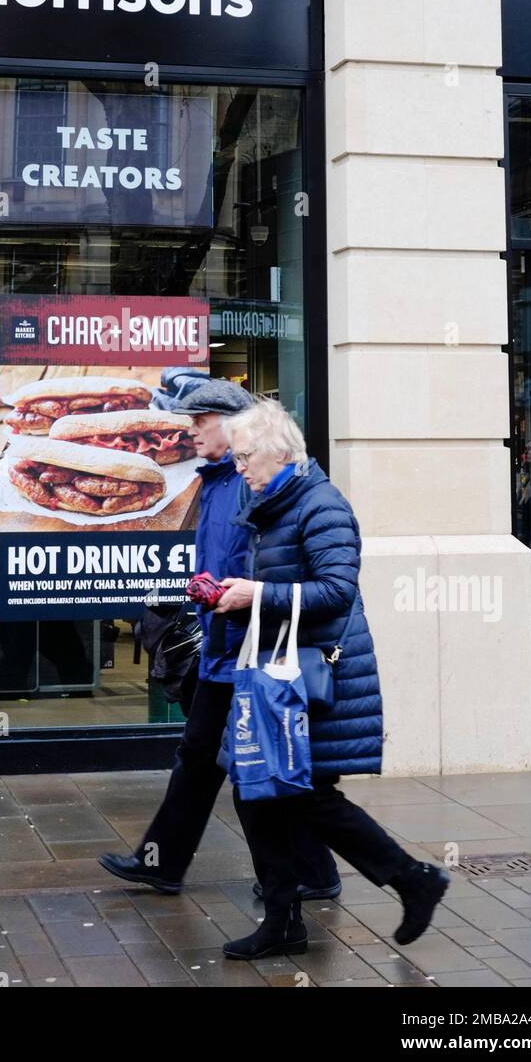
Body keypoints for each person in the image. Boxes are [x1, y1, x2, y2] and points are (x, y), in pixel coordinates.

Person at [214, 399, 449, 960]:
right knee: (260, 791)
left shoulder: (321, 505)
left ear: (278, 450)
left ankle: (411, 879)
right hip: (279, 674)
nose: (239, 467)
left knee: (304, 797)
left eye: (245, 456)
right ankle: (287, 917)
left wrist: (257, 594)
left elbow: (336, 590)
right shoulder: (273, 504)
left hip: (311, 680)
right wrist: (234, 597)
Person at [98, 378, 339, 898]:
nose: (190, 433)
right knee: (202, 757)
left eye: (199, 423)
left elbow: (260, 566)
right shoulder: (214, 480)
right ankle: (163, 863)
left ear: (232, 428)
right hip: (223, 644)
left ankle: (310, 875)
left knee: (253, 765)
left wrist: (229, 602)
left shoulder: (246, 482)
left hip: (245, 648)